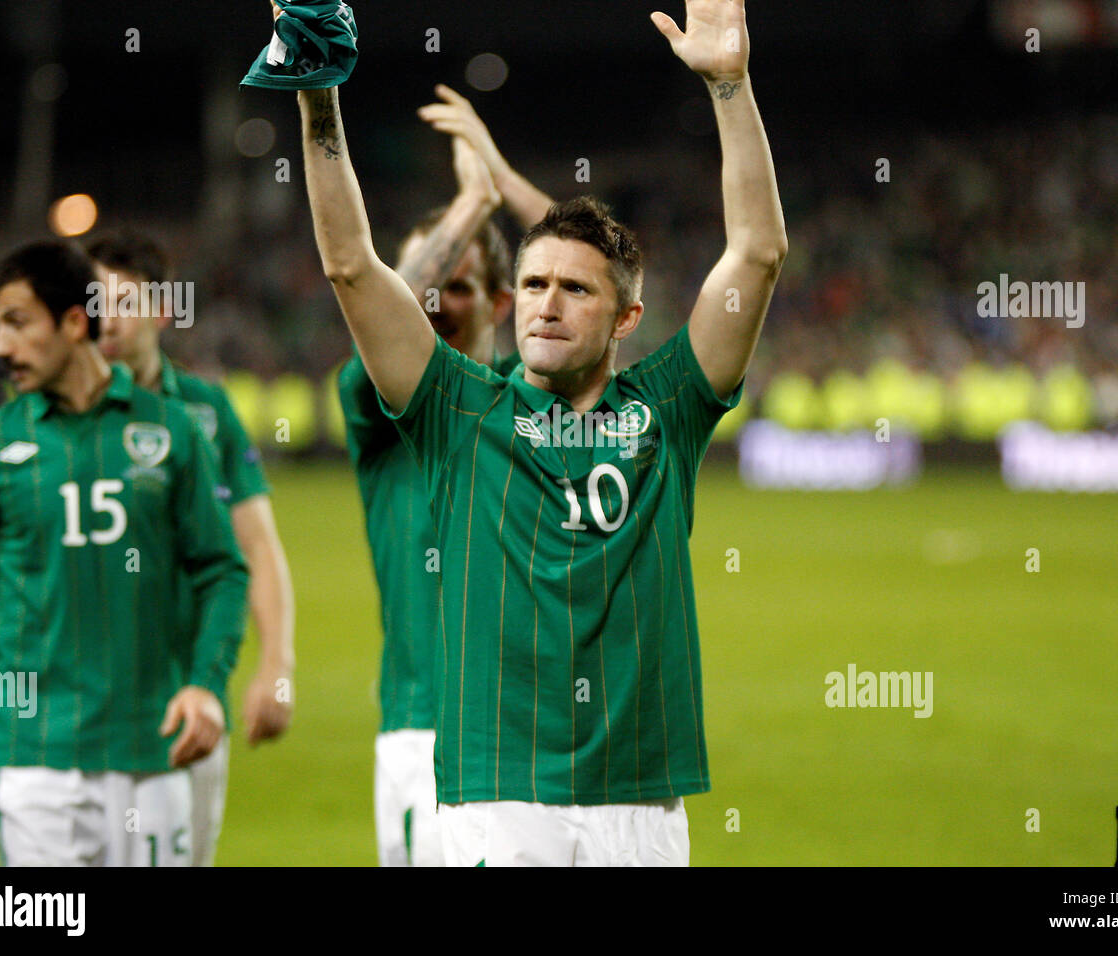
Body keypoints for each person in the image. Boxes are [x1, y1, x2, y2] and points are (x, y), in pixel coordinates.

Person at [295, 0, 786, 865]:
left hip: (641, 800)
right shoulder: (457, 409)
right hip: (497, 797)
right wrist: (319, 104)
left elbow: (756, 253)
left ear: (629, 316)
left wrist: (730, 87)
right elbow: (350, 264)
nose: (547, 304)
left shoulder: (668, 409)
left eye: (576, 289)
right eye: (531, 285)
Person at [0, 241, 248, 866]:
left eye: (17, 323)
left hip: (150, 750)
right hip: (32, 760)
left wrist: (208, 684)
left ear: (75, 321)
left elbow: (221, 569)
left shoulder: (173, 432)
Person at [339, 94, 551, 865]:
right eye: (422, 281)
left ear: (501, 301)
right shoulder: (381, 405)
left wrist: (499, 177)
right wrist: (471, 205)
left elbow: (593, 267)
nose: (432, 299)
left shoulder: (536, 401)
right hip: (423, 728)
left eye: (458, 285)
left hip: (538, 730)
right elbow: (378, 299)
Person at [86, 231, 296, 867]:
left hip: (187, 701)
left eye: (123, 300)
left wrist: (277, 667)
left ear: (164, 309)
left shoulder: (205, 413)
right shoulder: (51, 413)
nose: (104, 319)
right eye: (91, 301)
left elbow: (255, 546)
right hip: (77, 708)